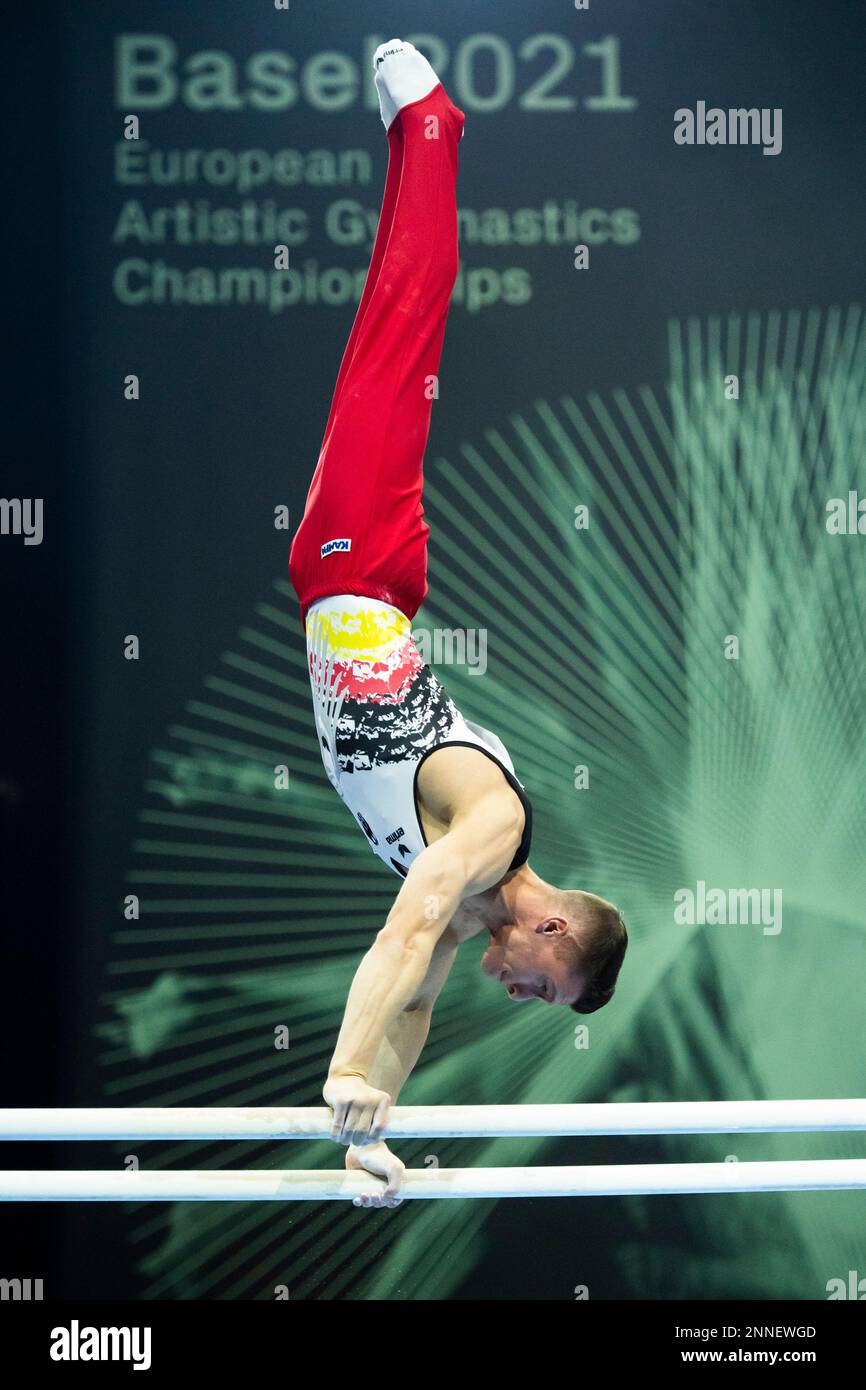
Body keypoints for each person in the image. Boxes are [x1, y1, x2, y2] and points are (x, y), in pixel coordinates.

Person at [289, 41, 627, 1206]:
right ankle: (430, 125)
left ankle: (421, 135)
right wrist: (340, 1069)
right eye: (540, 986)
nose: (516, 994)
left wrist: (364, 1134)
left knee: (392, 334)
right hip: (362, 568)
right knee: (400, 324)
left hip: (348, 581)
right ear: (554, 931)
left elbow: (416, 997)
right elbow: (412, 913)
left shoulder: (477, 899)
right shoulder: (492, 826)